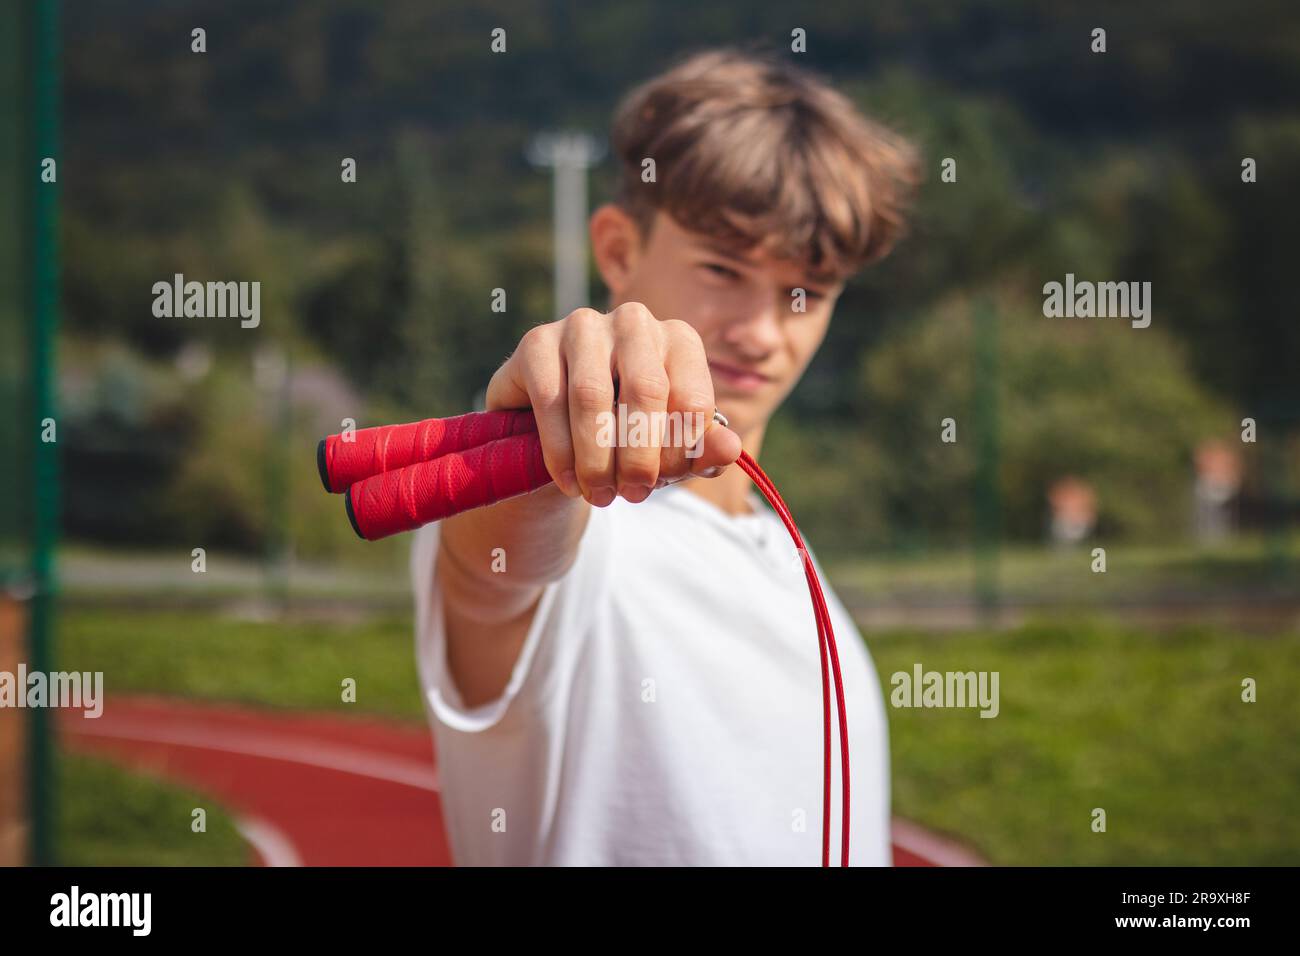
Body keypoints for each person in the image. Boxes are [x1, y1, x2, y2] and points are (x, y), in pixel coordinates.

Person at [412, 47, 918, 865]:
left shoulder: (785, 548)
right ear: (616, 251)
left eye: (806, 293)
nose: (762, 330)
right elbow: (489, 579)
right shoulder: (564, 500)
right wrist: (542, 456)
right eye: (723, 268)